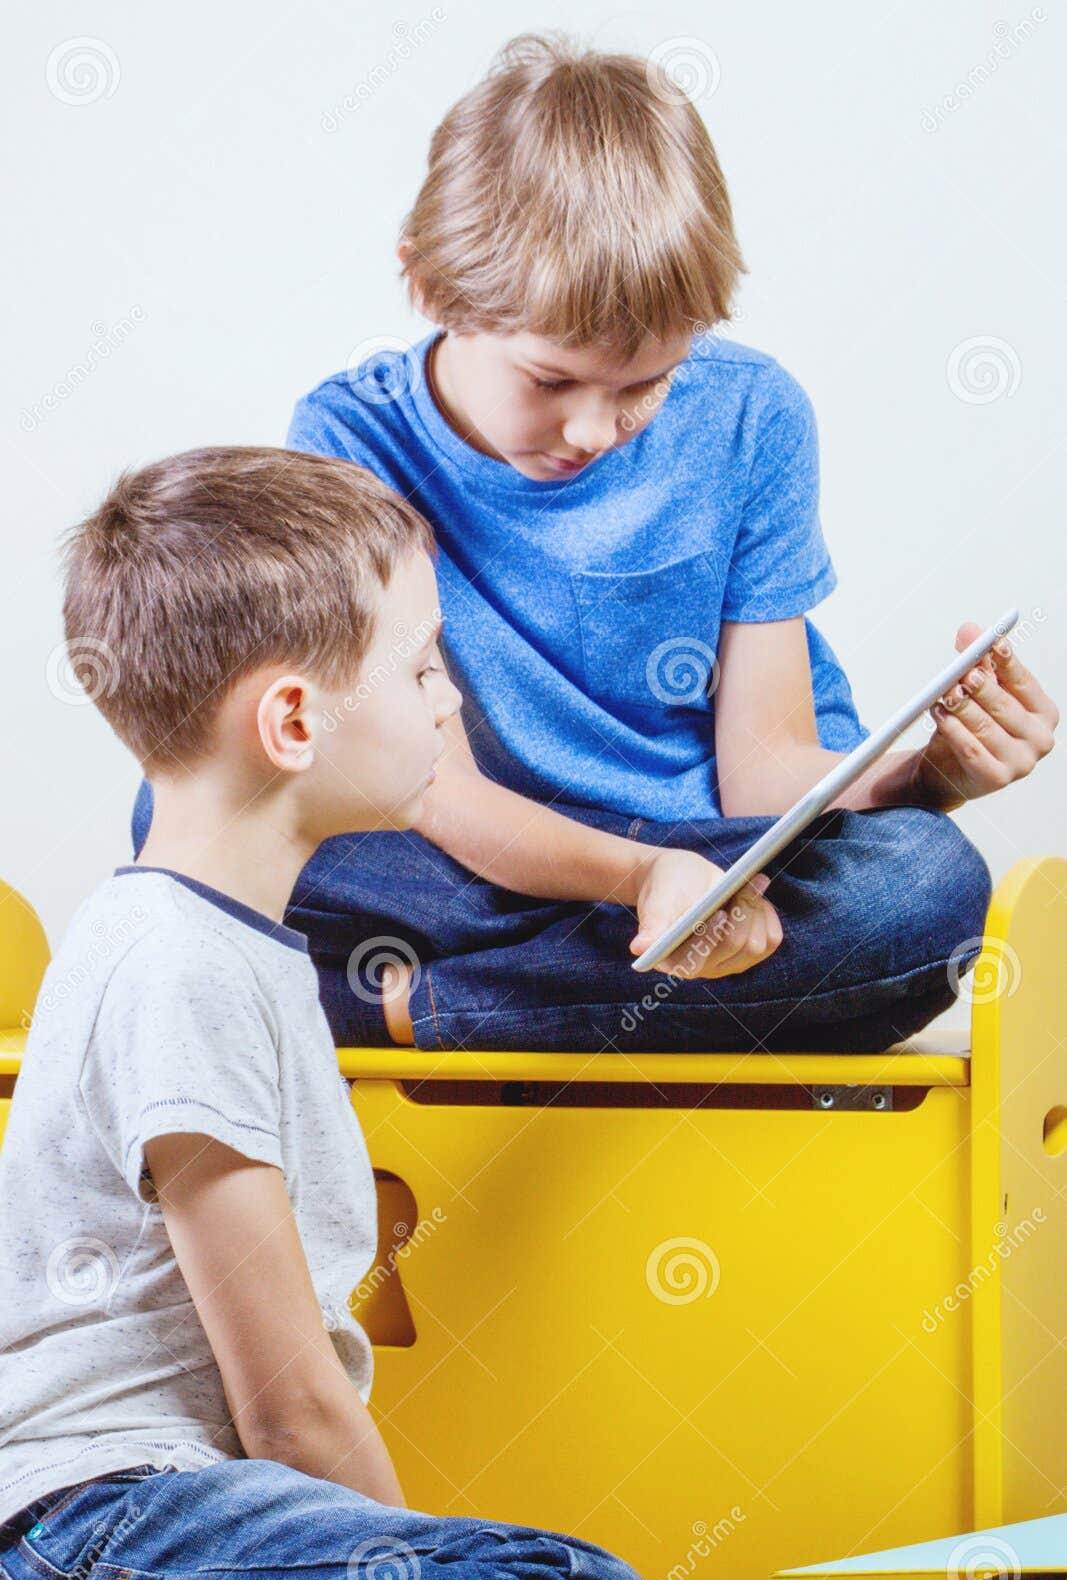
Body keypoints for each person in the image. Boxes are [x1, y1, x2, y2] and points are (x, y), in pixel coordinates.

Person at [131, 35, 1057, 1057]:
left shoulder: (751, 416)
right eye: (550, 380)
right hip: (475, 856)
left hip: (718, 856)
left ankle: (405, 1008)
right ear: (430, 290)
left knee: (920, 887)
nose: (593, 431)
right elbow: (433, 785)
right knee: (190, 799)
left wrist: (931, 774)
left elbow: (763, 775)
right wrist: (629, 878)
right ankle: (621, 996)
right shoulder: (355, 438)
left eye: (644, 386)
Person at [0, 446, 648, 1580]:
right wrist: (416, 1579)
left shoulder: (224, 944)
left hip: (166, 1513)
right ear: (293, 720)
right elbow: (291, 1411)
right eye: (420, 670)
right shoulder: (178, 964)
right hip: (98, 1516)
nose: (451, 700)